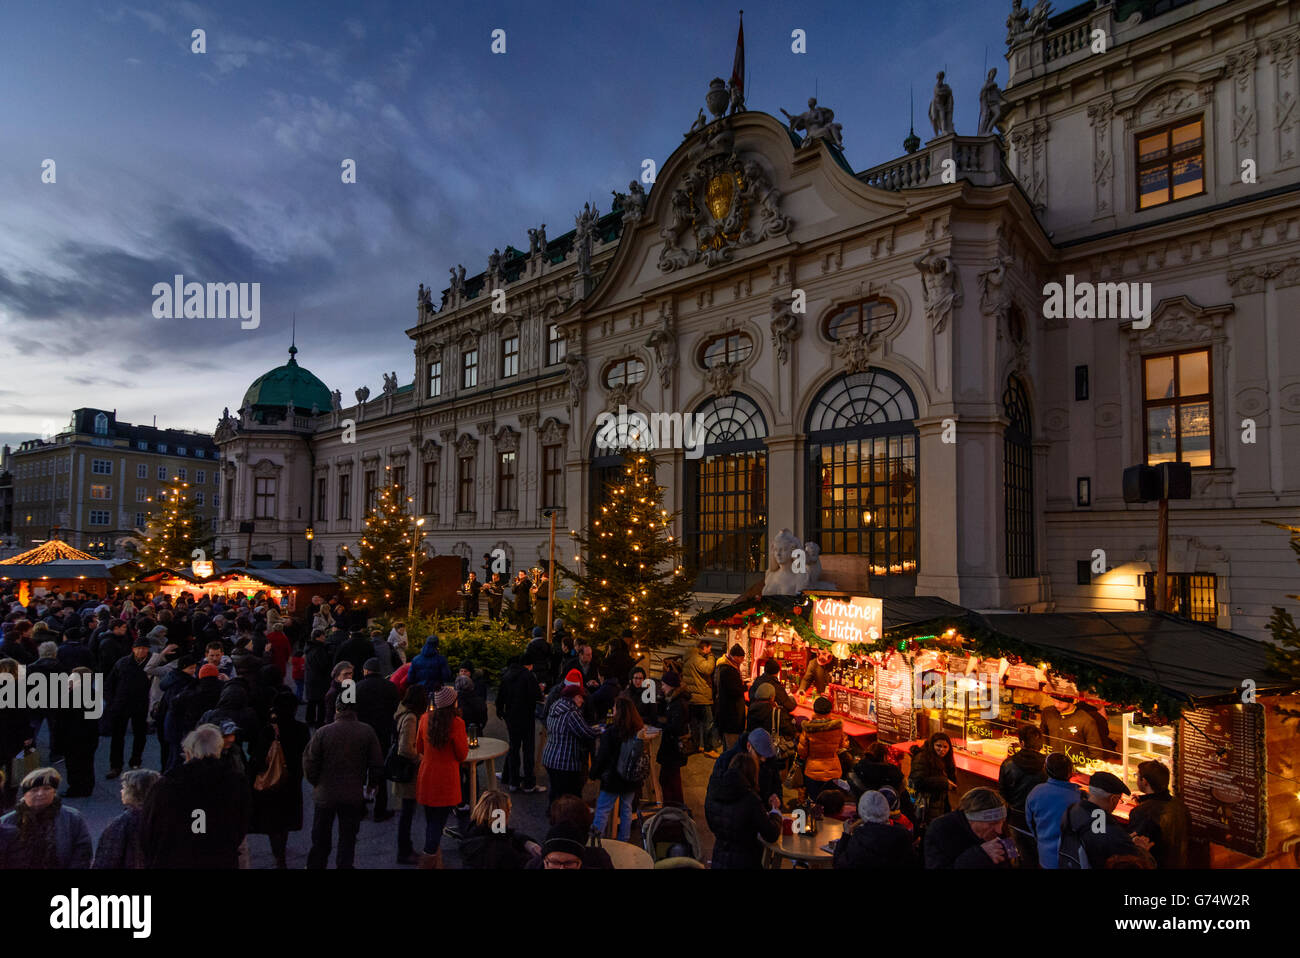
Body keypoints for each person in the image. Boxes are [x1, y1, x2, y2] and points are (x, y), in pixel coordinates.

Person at [141, 725, 250, 869]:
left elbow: (150, 827)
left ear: (188, 752)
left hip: (175, 858)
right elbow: (242, 822)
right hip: (220, 857)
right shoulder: (235, 781)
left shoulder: (168, 784)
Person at [302, 698, 383, 869]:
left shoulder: (323, 732)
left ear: (337, 710)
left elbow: (309, 762)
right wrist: (372, 785)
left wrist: (316, 781)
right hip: (352, 794)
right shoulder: (366, 731)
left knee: (320, 838)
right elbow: (376, 763)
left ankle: (317, 865)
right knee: (348, 838)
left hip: (325, 794)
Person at [248, 691, 309, 868]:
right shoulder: (301, 729)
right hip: (291, 780)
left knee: (272, 821)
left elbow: (257, 756)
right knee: (285, 820)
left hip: (270, 782)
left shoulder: (268, 730)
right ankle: (281, 850)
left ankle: (278, 853)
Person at [415, 685, 469, 868]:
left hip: (427, 775)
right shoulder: (457, 723)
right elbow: (462, 754)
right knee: (438, 823)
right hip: (446, 779)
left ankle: (434, 861)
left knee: (431, 821)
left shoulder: (424, 719)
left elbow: (419, 748)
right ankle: (428, 860)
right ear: (453, 702)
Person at [1058, 771, 1155, 869]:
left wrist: (1122, 838)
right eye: (1119, 800)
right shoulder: (1111, 831)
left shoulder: (1072, 809)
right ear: (1113, 799)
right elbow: (1137, 865)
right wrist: (1141, 850)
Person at [0, 767, 93, 868]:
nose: (40, 793)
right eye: (34, 790)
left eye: (47, 788)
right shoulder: (7, 821)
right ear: (25, 795)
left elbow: (83, 852)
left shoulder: (72, 818)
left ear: (54, 792)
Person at [705, 752, 782, 869]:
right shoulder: (750, 799)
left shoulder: (714, 792)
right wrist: (775, 812)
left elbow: (714, 823)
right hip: (745, 861)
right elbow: (771, 834)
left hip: (719, 859)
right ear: (753, 773)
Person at [590, 696, 646, 841]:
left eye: (615, 708)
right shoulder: (638, 731)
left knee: (602, 810)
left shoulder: (610, 733)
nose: (613, 710)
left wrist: (594, 773)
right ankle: (624, 840)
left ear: (619, 712)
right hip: (630, 779)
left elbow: (602, 757)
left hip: (612, 779)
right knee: (626, 809)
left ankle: (596, 842)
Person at [924, 787, 1017, 868]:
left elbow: (1014, 863)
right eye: (992, 823)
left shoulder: (1002, 830)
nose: (999, 830)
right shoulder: (940, 830)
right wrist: (979, 855)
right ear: (971, 820)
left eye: (1002, 821)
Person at [355, 658, 400, 822]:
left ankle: (360, 807)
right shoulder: (390, 687)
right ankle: (380, 809)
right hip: (382, 733)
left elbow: (347, 710)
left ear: (366, 671)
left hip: (360, 733)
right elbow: (395, 709)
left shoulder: (355, 687)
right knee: (380, 770)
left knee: (360, 770)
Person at [1025, 752, 1085, 869]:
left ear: (1045, 770)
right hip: (1073, 860)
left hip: (1045, 857)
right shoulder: (1080, 798)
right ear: (1070, 773)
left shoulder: (1036, 792)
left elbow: (1030, 824)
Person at [543, 684, 600, 806]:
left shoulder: (555, 706)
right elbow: (586, 732)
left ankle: (553, 815)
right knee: (571, 794)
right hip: (565, 761)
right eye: (580, 697)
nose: (583, 700)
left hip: (550, 757)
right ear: (573, 697)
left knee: (555, 792)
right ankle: (568, 818)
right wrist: (602, 730)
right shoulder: (571, 713)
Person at [496, 651, 545, 794]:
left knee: (514, 748)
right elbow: (537, 696)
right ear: (529, 665)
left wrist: (502, 713)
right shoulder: (528, 676)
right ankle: (529, 783)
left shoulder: (507, 675)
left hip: (511, 716)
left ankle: (513, 781)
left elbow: (500, 698)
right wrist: (540, 690)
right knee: (528, 749)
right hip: (526, 716)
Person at [104, 636, 153, 778]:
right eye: (139, 648)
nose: (142, 651)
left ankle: (136, 761)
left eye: (144, 649)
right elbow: (109, 684)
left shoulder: (152, 664)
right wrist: (112, 702)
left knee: (140, 734)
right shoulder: (123, 663)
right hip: (121, 704)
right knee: (118, 736)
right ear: (134, 649)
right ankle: (115, 766)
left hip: (142, 704)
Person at [92, 768, 160, 868]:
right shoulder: (164, 818)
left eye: (124, 787)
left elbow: (107, 858)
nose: (121, 791)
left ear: (133, 792)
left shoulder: (123, 823)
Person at [833, 790, 919, 869]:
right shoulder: (903, 834)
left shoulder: (860, 837)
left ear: (862, 812)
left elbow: (839, 864)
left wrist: (846, 834)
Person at [1128, 759, 1190, 869]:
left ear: (1145, 781)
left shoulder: (1142, 812)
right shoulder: (1181, 805)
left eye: (1137, 776)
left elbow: (1137, 850)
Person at [459, 790, 541, 869]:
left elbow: (506, 834)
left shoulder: (473, 831)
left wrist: (525, 841)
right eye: (509, 809)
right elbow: (522, 862)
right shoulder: (499, 848)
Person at [997, 724, 1047, 852]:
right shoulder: (1048, 765)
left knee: (1014, 853)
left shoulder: (1008, 763)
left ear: (1022, 742)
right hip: (1040, 820)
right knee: (1037, 856)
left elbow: (1002, 793)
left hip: (1014, 818)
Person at [392, 684, 427, 864]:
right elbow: (405, 748)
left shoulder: (403, 711)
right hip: (408, 773)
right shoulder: (411, 718)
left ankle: (405, 849)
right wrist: (420, 758)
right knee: (407, 812)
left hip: (405, 771)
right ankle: (404, 851)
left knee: (407, 812)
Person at [52, 668, 100, 798]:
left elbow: (61, 719)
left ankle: (76, 788)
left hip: (72, 737)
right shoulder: (92, 693)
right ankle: (87, 787)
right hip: (89, 736)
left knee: (74, 764)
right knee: (87, 763)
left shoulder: (70, 696)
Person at [850, 742, 918, 827]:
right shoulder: (893, 772)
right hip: (892, 820)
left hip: (864, 817)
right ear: (884, 756)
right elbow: (904, 800)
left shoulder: (858, 770)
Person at [796, 696, 850, 802]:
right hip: (833, 771)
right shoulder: (837, 728)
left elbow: (802, 751)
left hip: (813, 771)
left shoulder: (808, 729)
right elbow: (844, 745)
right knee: (831, 801)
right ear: (830, 711)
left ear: (815, 711)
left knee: (815, 801)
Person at [909, 731, 959, 826]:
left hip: (938, 804)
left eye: (945, 747)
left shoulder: (944, 759)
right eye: (938, 746)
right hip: (926, 804)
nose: (942, 749)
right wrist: (943, 782)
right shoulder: (922, 757)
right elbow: (917, 781)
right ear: (932, 745)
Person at [656, 669, 690, 805]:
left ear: (670, 685)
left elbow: (675, 727)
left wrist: (661, 726)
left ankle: (674, 809)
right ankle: (674, 808)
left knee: (669, 780)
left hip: (673, 749)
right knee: (669, 779)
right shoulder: (672, 700)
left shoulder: (678, 704)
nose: (662, 687)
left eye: (663, 684)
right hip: (672, 749)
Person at [682, 638, 718, 755]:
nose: (710, 651)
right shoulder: (697, 659)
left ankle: (696, 746)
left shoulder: (689, 656)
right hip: (701, 696)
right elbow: (708, 669)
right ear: (705, 647)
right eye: (709, 649)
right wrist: (712, 657)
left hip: (692, 696)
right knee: (708, 722)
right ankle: (709, 748)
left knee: (695, 724)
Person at [713, 644, 748, 750]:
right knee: (732, 747)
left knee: (728, 744)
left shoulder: (726, 667)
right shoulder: (728, 670)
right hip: (730, 714)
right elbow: (734, 690)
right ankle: (730, 764)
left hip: (727, 713)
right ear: (735, 657)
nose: (742, 660)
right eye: (741, 658)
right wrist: (745, 687)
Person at [303, 628, 333, 727]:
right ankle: (319, 722)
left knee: (311, 701)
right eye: (323, 635)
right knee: (321, 702)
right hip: (319, 679)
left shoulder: (309, 647)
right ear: (318, 637)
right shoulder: (319, 649)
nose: (325, 637)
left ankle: (309, 719)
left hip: (310, 677)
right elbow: (323, 665)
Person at [323, 661, 353, 726]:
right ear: (337, 675)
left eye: (350, 674)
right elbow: (329, 718)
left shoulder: (347, 688)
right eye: (345, 674)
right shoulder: (333, 694)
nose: (349, 676)